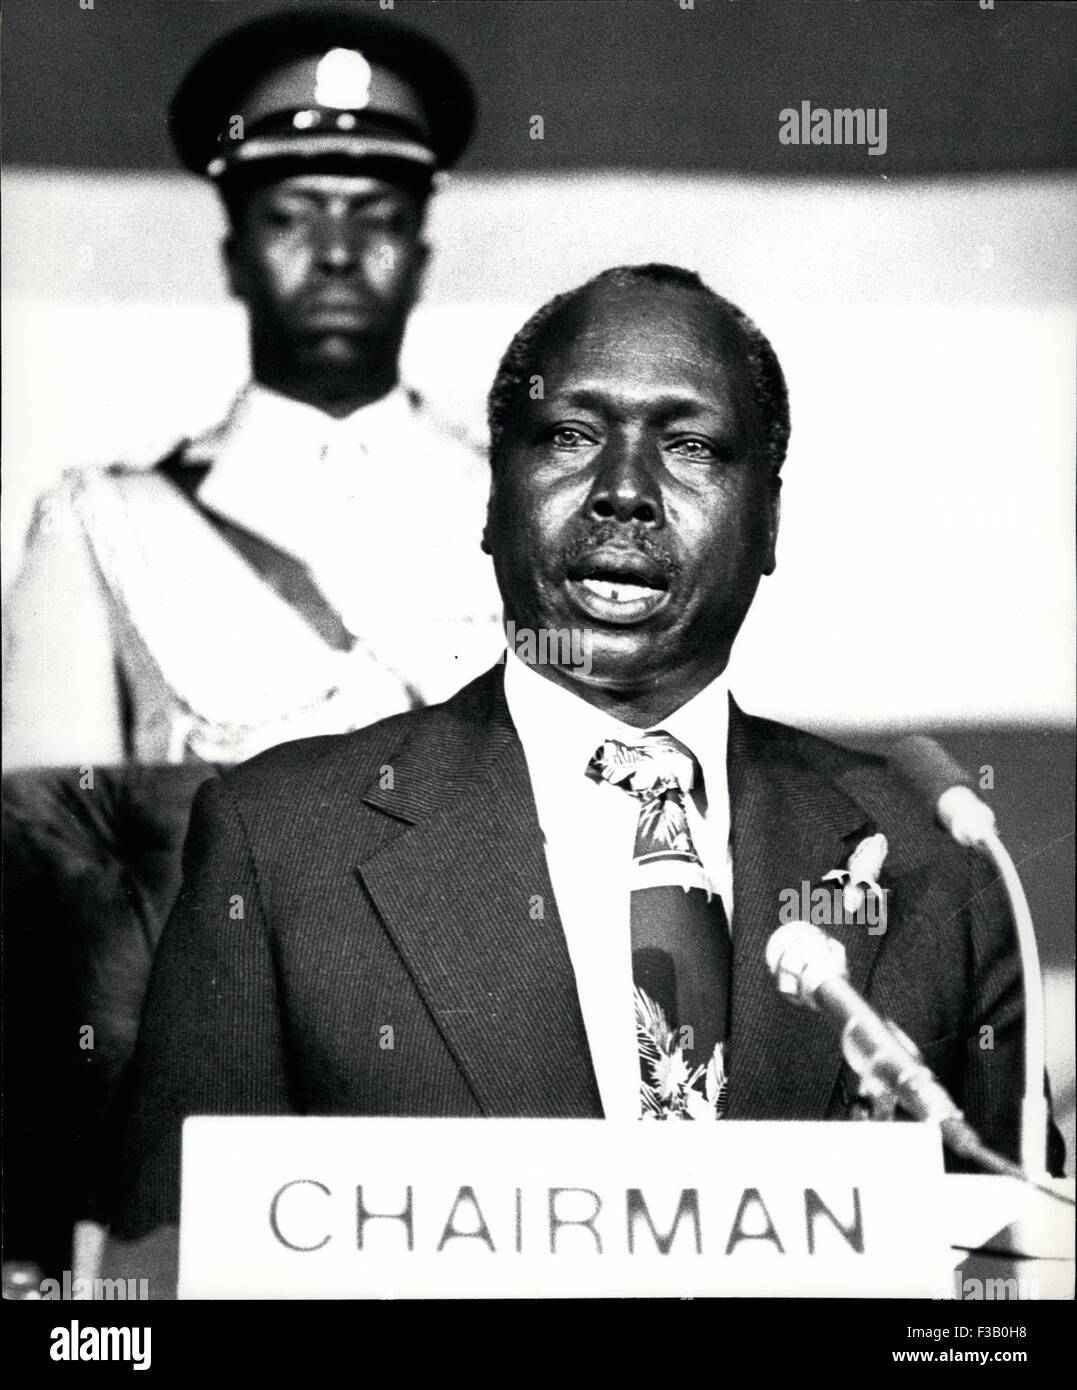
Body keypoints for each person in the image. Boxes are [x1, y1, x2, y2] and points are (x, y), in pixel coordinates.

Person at [108, 263, 1060, 1271]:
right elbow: (165, 1282)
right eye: (569, 436)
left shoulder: (930, 864)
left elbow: (1024, 1285)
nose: (624, 493)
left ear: (770, 521)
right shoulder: (283, 842)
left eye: (690, 446)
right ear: (492, 497)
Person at [2, 7, 500, 768]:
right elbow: (64, 853)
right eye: (290, 218)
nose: (337, 252)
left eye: (378, 217)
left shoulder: (527, 501)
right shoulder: (106, 525)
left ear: (421, 258)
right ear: (233, 257)